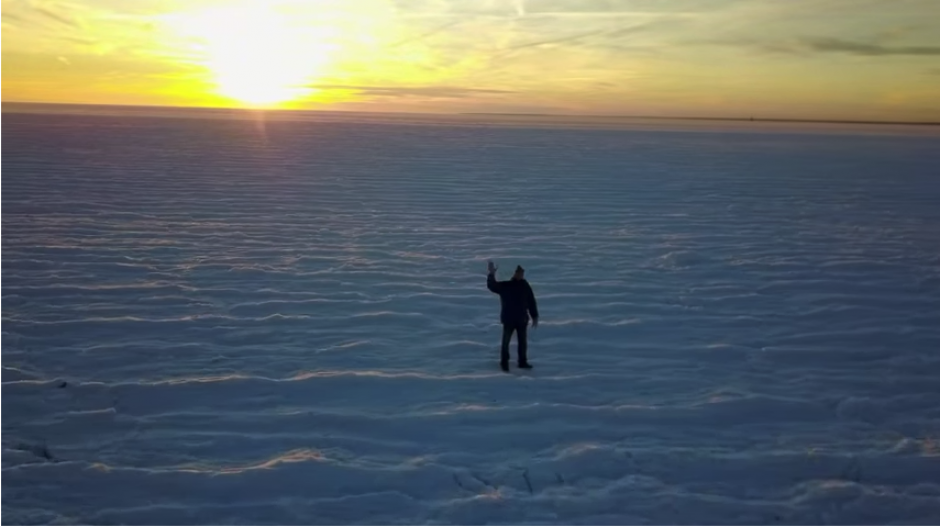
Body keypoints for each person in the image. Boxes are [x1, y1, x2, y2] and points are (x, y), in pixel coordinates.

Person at [486, 261, 539, 372]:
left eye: (522, 273)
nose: (521, 274)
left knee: (522, 343)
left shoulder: (525, 285)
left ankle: (522, 362)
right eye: (519, 272)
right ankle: (504, 363)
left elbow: (531, 301)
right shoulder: (505, 285)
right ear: (514, 273)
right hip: (508, 319)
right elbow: (492, 286)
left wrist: (534, 316)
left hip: (522, 319)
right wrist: (491, 273)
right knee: (505, 342)